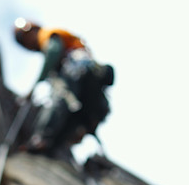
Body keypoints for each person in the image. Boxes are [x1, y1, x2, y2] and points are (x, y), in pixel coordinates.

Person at [13, 18, 114, 155]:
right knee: (75, 114)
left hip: (77, 72)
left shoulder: (46, 35)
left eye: (25, 39)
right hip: (89, 82)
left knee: (60, 96)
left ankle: (41, 139)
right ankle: (54, 146)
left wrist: (35, 86)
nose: (30, 44)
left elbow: (53, 53)